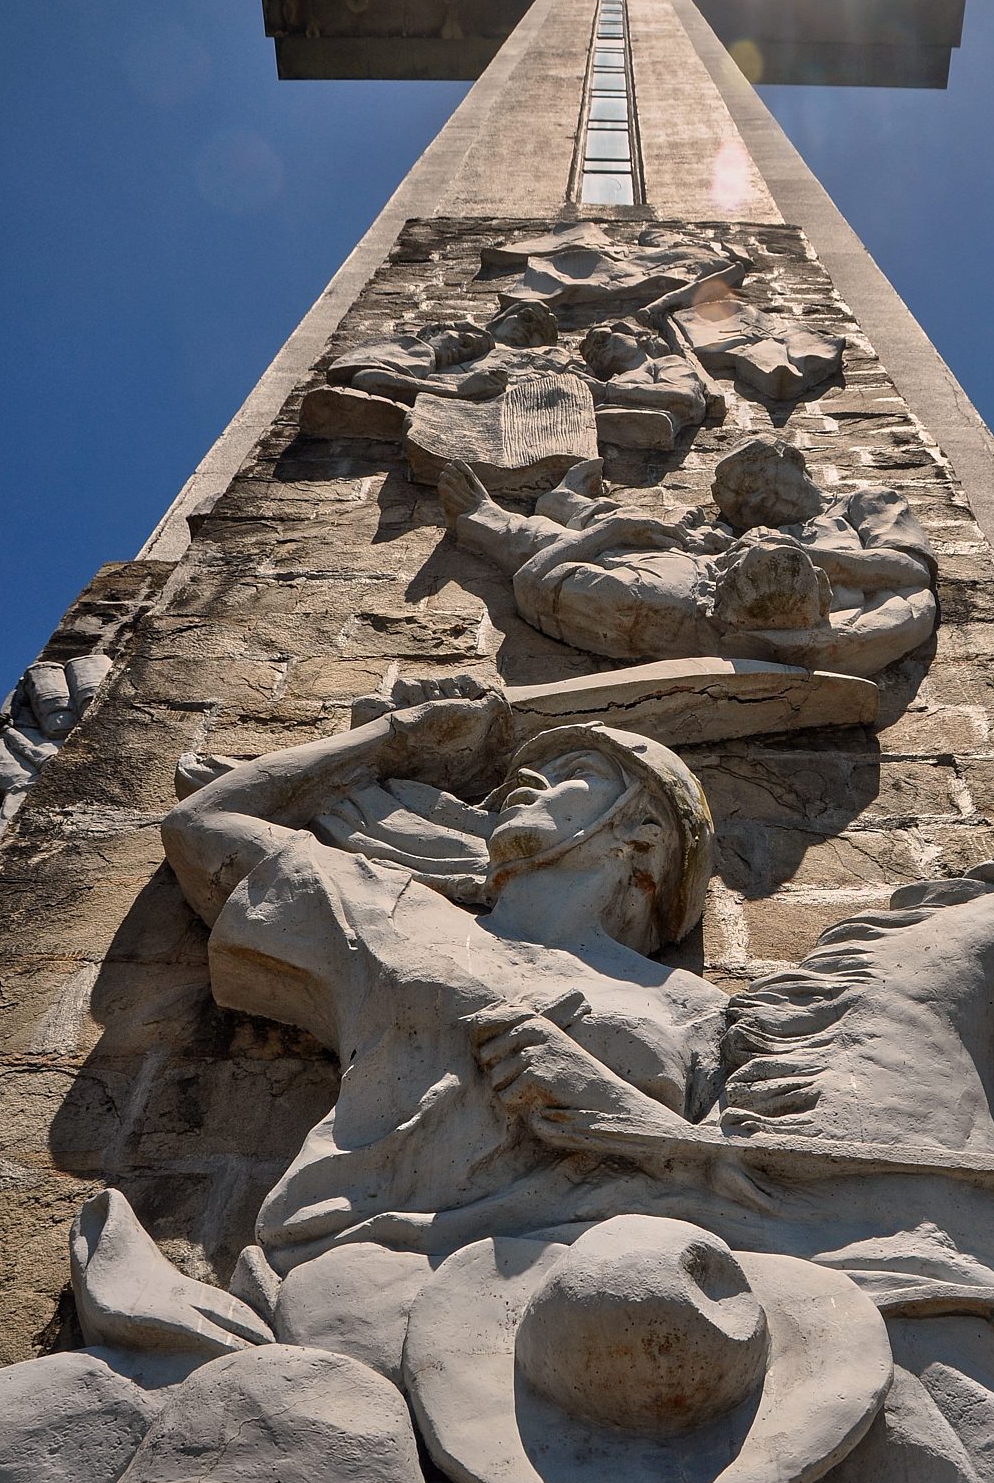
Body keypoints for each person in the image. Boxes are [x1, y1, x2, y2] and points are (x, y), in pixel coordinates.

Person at [161, 678, 726, 1276]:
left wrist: (606, 1103)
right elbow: (202, 824)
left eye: (574, 772)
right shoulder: (392, 910)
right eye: (527, 775)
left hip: (627, 1282)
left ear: (645, 833)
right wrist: (399, 738)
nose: (527, 784)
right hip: (371, 1263)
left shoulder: (693, 1006)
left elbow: (750, 1178)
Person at [437, 435, 937, 678]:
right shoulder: (756, 529)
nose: (754, 500)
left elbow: (909, 569)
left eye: (761, 479)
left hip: (796, 609)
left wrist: (796, 556)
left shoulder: (861, 504)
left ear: (795, 463)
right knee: (642, 537)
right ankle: (555, 507)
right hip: (729, 588)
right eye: (743, 497)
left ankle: (538, 514)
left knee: (622, 569)